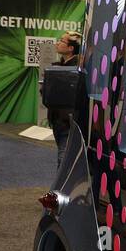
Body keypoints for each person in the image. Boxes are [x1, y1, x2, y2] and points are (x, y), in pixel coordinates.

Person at [48, 31, 82, 166]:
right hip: (57, 118)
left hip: (67, 119)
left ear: (70, 48)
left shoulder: (76, 69)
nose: (57, 43)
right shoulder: (59, 65)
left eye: (61, 41)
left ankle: (61, 187)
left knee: (63, 159)